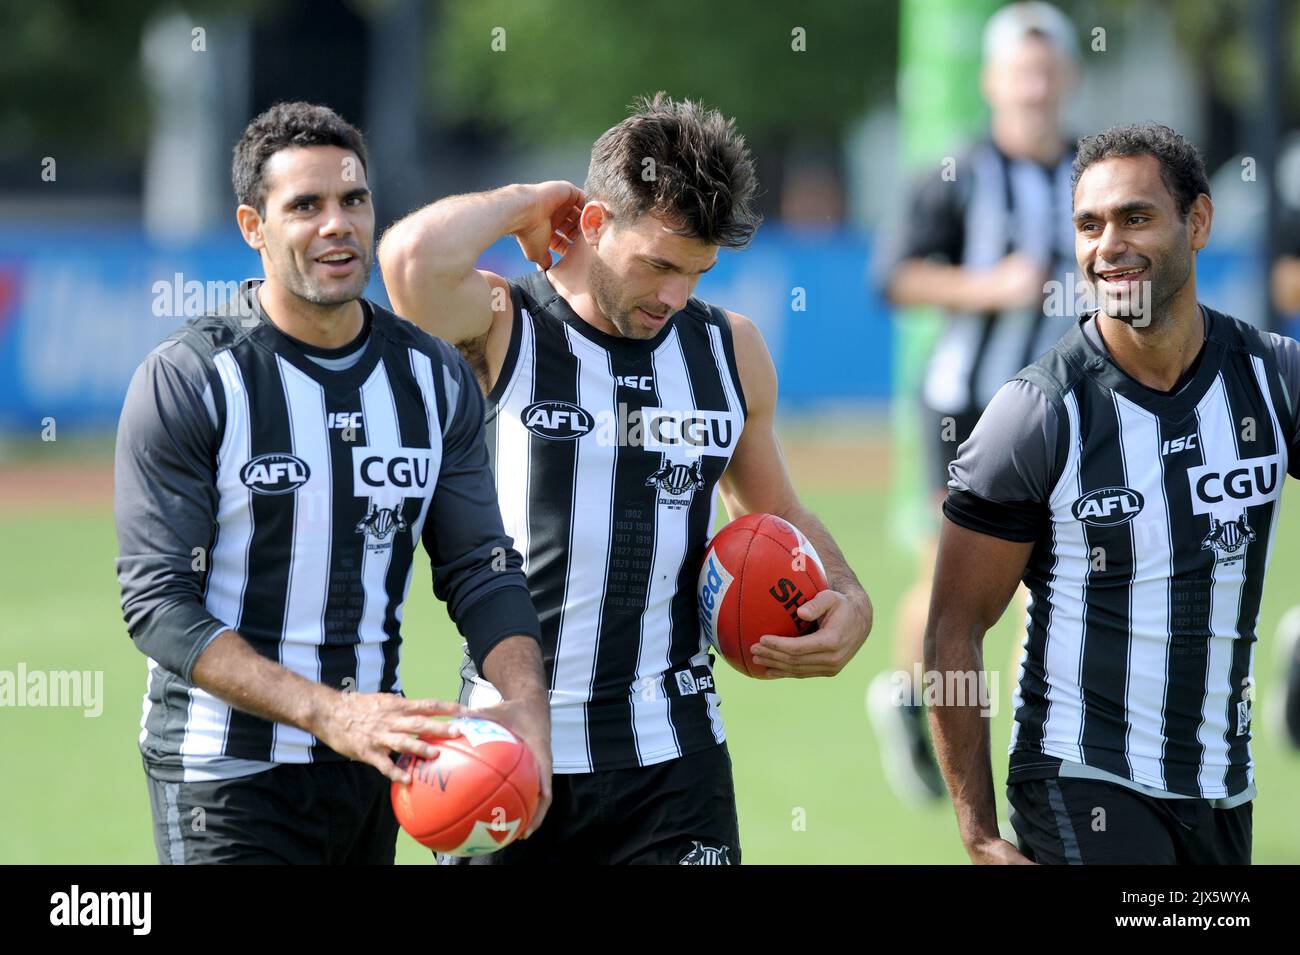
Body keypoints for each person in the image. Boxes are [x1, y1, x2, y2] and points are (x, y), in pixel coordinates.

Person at [379, 93, 874, 864]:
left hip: (676, 764)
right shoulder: (505, 323)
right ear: (596, 224)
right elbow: (409, 264)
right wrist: (528, 203)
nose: (676, 296)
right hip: (511, 755)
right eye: (660, 265)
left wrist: (851, 596)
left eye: (698, 273)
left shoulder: (728, 350)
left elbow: (776, 508)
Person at [114, 101, 551, 864]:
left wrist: (525, 706)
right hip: (224, 775)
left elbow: (481, 567)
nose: (337, 224)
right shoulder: (190, 379)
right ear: (253, 226)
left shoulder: (432, 375)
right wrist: (329, 712)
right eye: (305, 206)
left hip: (371, 769)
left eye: (353, 199)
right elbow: (158, 605)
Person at [927, 122, 1300, 864]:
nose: (1108, 245)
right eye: (1089, 225)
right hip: (1080, 779)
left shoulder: (1272, 378)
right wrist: (975, 830)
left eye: (1136, 217)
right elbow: (953, 629)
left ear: (1197, 222)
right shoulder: (1038, 413)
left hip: (1222, 789)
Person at [873, 1, 1081, 801]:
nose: (1032, 86)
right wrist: (987, 286)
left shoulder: (1095, 173)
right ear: (992, 81)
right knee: (952, 571)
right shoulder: (959, 174)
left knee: (1056, 575)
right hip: (969, 409)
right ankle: (909, 696)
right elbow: (892, 276)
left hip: (1067, 411)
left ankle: (1044, 744)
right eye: (1018, 70)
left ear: (1067, 75)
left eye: (1045, 69)